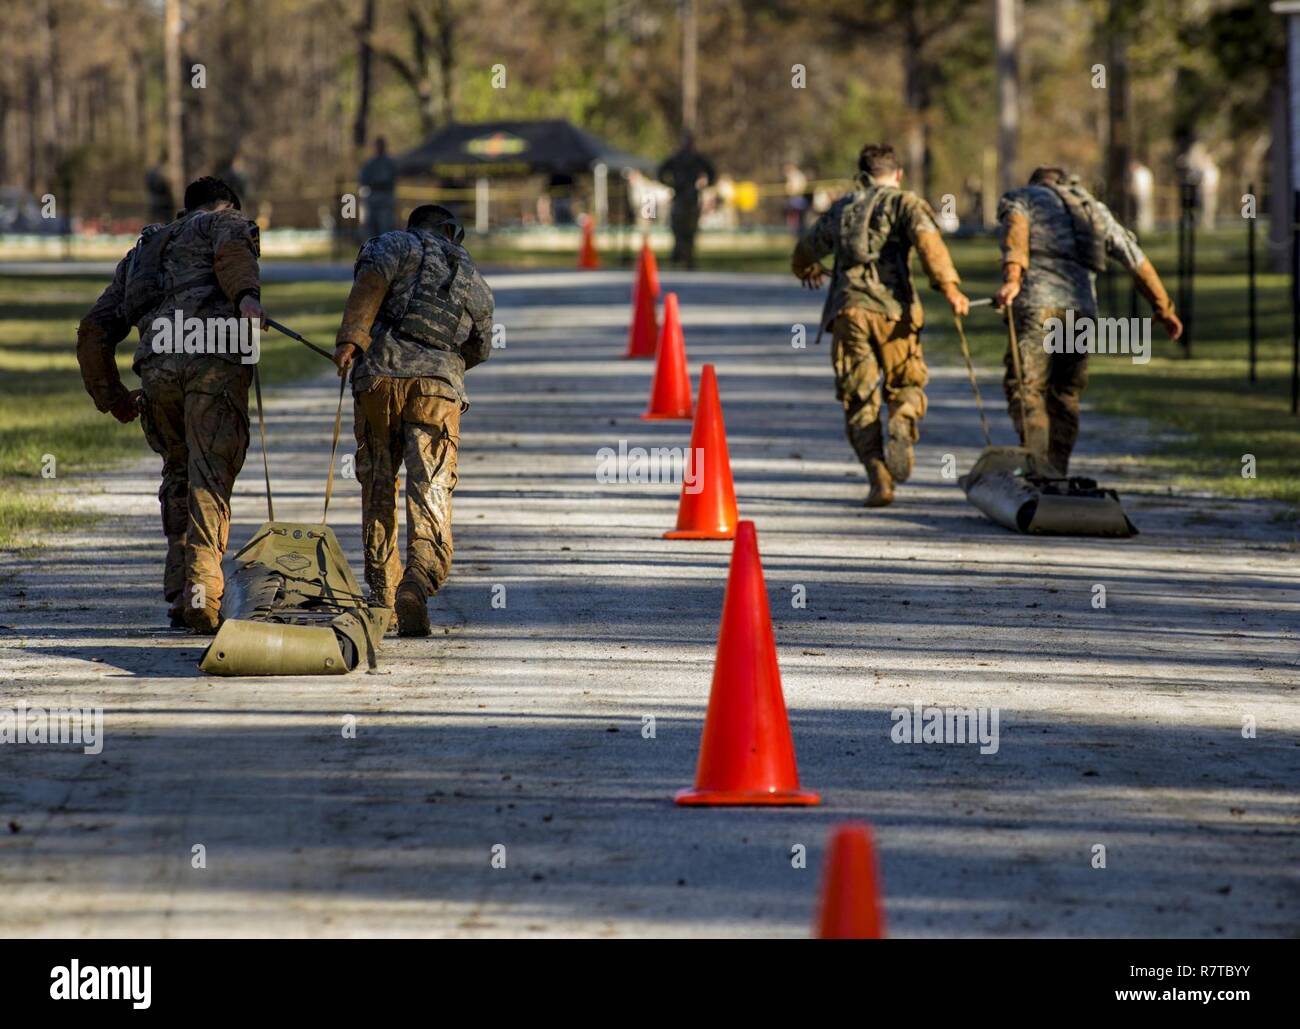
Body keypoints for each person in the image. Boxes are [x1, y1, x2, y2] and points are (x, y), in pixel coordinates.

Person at [75, 176, 266, 633]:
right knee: (209, 477)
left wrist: (113, 398)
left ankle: (184, 594)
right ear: (228, 204)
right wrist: (248, 299)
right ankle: (202, 593)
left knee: (180, 473)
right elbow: (234, 256)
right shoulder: (226, 222)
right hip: (212, 365)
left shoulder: (145, 250)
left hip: (158, 374)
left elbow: (93, 331)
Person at [332, 204, 494, 637]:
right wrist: (446, 367)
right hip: (437, 390)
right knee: (431, 487)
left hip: (378, 380)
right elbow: (481, 345)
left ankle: (383, 591)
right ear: (448, 230)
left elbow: (369, 284)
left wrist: (351, 338)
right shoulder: (469, 273)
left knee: (379, 481)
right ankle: (418, 582)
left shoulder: (391, 244)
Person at [791, 143, 970, 508]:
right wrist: (950, 289)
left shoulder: (843, 207)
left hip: (848, 311)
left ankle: (878, 478)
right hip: (894, 313)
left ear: (862, 174)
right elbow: (929, 243)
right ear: (898, 174)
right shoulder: (906, 203)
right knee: (906, 381)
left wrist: (806, 270)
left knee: (858, 396)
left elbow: (806, 249)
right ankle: (902, 421)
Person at [993, 166, 1182, 474]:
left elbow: (1016, 234)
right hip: (1080, 309)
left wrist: (1012, 279)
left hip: (1038, 304)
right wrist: (1164, 308)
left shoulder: (1022, 198)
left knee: (1027, 388)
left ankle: (1037, 466)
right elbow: (1135, 259)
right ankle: (1057, 470)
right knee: (1065, 392)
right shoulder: (1093, 209)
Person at [657, 132, 716, 268]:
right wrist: (671, 185)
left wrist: (706, 184)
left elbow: (711, 172)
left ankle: (688, 257)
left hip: (691, 198)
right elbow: (661, 171)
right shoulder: (677, 158)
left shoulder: (697, 159)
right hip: (680, 197)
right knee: (678, 228)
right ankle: (678, 255)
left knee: (689, 230)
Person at [359, 137, 398, 238]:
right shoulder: (370, 163)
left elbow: (393, 179)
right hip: (372, 198)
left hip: (385, 199)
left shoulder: (389, 163)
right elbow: (363, 180)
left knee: (385, 228)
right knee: (371, 228)